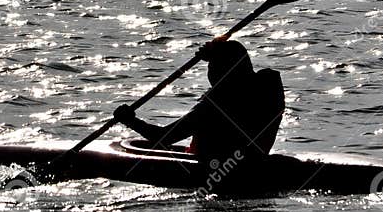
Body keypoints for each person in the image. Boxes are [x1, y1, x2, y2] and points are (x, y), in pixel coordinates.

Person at [113, 38, 285, 195]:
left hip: (218, 177)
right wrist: (217, 49)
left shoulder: (213, 107)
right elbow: (241, 74)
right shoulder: (269, 87)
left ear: (218, 71)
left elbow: (163, 138)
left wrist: (130, 120)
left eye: (212, 68)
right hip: (255, 165)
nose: (209, 73)